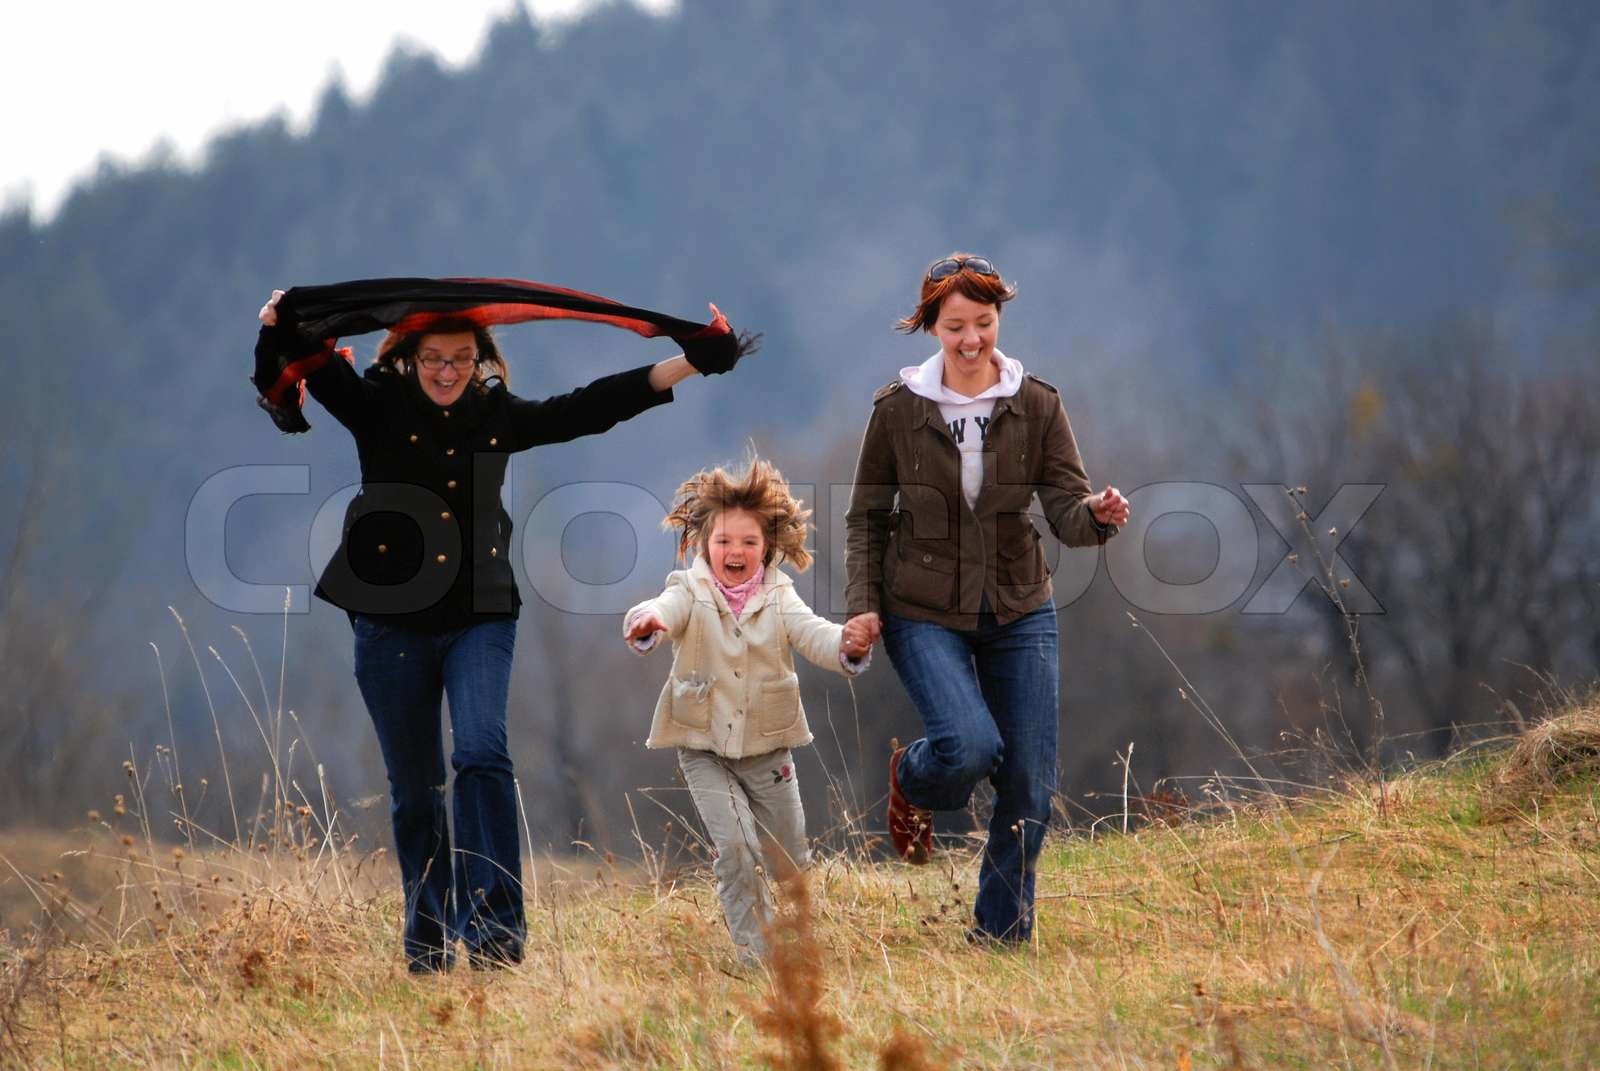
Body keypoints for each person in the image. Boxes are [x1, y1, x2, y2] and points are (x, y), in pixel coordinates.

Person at [256, 286, 748, 972]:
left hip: (478, 613)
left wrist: (689, 362)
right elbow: (305, 352)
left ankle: (495, 933)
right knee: (417, 789)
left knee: (482, 752)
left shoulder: (494, 415)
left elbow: (586, 408)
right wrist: (284, 316)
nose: (448, 371)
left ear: (481, 359)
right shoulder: (374, 405)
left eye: (462, 358)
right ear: (408, 359)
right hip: (388, 622)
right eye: (433, 358)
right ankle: (428, 942)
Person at [842, 253, 1130, 944]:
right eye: (955, 326)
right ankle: (913, 778)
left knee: (1029, 782)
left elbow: (1063, 507)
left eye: (984, 322)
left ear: (999, 317)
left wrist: (1095, 514)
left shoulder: (1037, 404)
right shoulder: (898, 411)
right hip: (922, 609)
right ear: (930, 328)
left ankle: (998, 935)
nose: (972, 339)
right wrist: (862, 604)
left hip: (1019, 604)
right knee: (968, 747)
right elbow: (865, 520)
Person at [623, 456, 873, 966]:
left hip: (768, 748)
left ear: (769, 548)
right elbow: (663, 611)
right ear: (701, 545)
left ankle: (801, 939)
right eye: (723, 542)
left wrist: (847, 643)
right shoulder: (687, 590)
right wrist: (647, 619)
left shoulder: (780, 596)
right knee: (736, 852)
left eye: (748, 543)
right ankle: (754, 955)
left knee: (790, 858)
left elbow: (814, 636)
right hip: (703, 748)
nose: (735, 552)